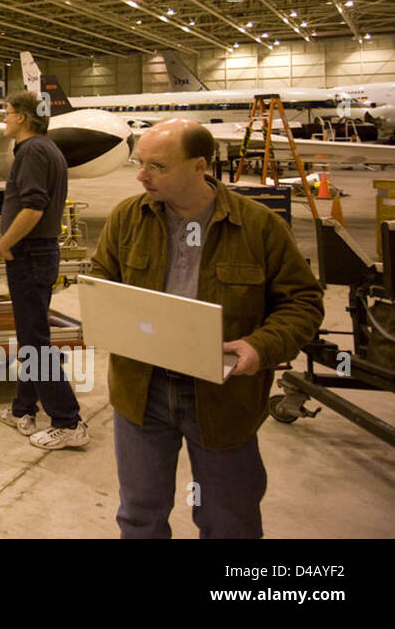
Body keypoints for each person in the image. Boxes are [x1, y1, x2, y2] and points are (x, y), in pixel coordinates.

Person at [91, 118, 323, 538]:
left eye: (157, 166)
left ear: (200, 166)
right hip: (141, 391)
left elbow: (303, 303)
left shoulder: (258, 226)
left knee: (228, 519)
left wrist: (261, 346)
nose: (142, 175)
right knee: (139, 515)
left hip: (222, 395)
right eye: (140, 163)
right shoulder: (128, 218)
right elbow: (100, 280)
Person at [0, 90, 89, 449]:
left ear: (23, 117)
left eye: (8, 112)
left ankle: (68, 421)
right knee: (31, 336)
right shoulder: (49, 148)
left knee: (36, 343)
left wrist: (4, 244)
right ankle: (23, 408)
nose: (4, 118)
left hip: (29, 254)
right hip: (40, 253)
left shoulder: (32, 151)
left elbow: (33, 208)